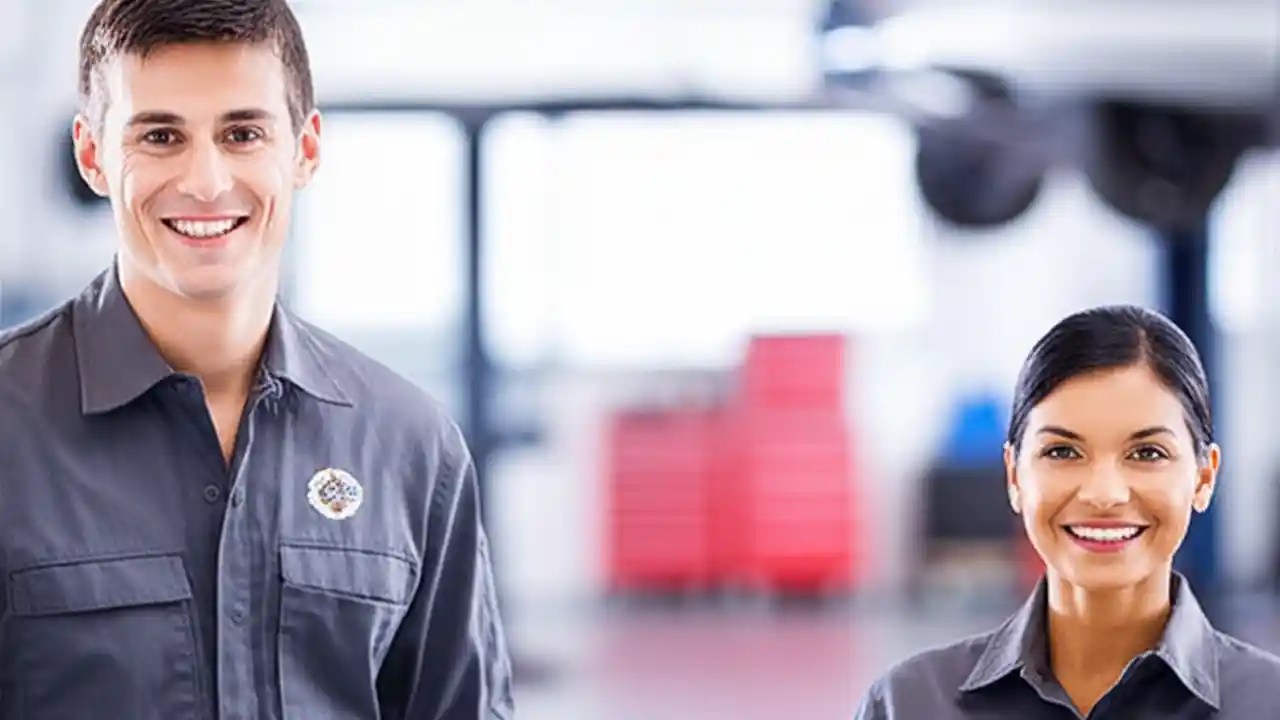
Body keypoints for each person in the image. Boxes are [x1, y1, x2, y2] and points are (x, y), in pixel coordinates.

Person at [0, 1, 513, 717]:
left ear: (305, 150)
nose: (206, 181)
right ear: (93, 155)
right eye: (159, 135)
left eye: (243, 133)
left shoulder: (412, 449)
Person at [854, 305, 1280, 719]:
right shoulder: (909, 704)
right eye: (1062, 451)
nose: (1104, 494)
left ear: (1204, 477)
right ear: (1014, 476)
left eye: (1147, 452)